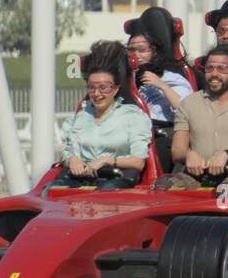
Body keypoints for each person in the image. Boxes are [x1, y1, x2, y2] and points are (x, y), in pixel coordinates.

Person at [162, 44, 228, 197]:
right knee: (162, 186)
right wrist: (189, 155)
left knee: (227, 191)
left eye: (222, 68)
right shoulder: (189, 103)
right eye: (209, 68)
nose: (214, 74)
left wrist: (227, 155)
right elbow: (177, 151)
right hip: (195, 174)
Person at [53, 40, 153, 190]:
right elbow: (69, 151)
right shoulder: (81, 116)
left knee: (103, 195)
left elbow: (138, 162)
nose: (97, 94)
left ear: (116, 89)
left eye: (103, 88)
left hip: (117, 179)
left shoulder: (133, 116)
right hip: (81, 179)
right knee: (51, 190)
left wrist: (106, 160)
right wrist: (72, 159)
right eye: (91, 88)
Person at [125, 9, 194, 171]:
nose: (136, 55)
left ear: (154, 51)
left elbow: (187, 110)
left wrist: (161, 86)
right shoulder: (125, 79)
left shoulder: (172, 77)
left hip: (161, 132)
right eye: (131, 50)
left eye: (142, 50)